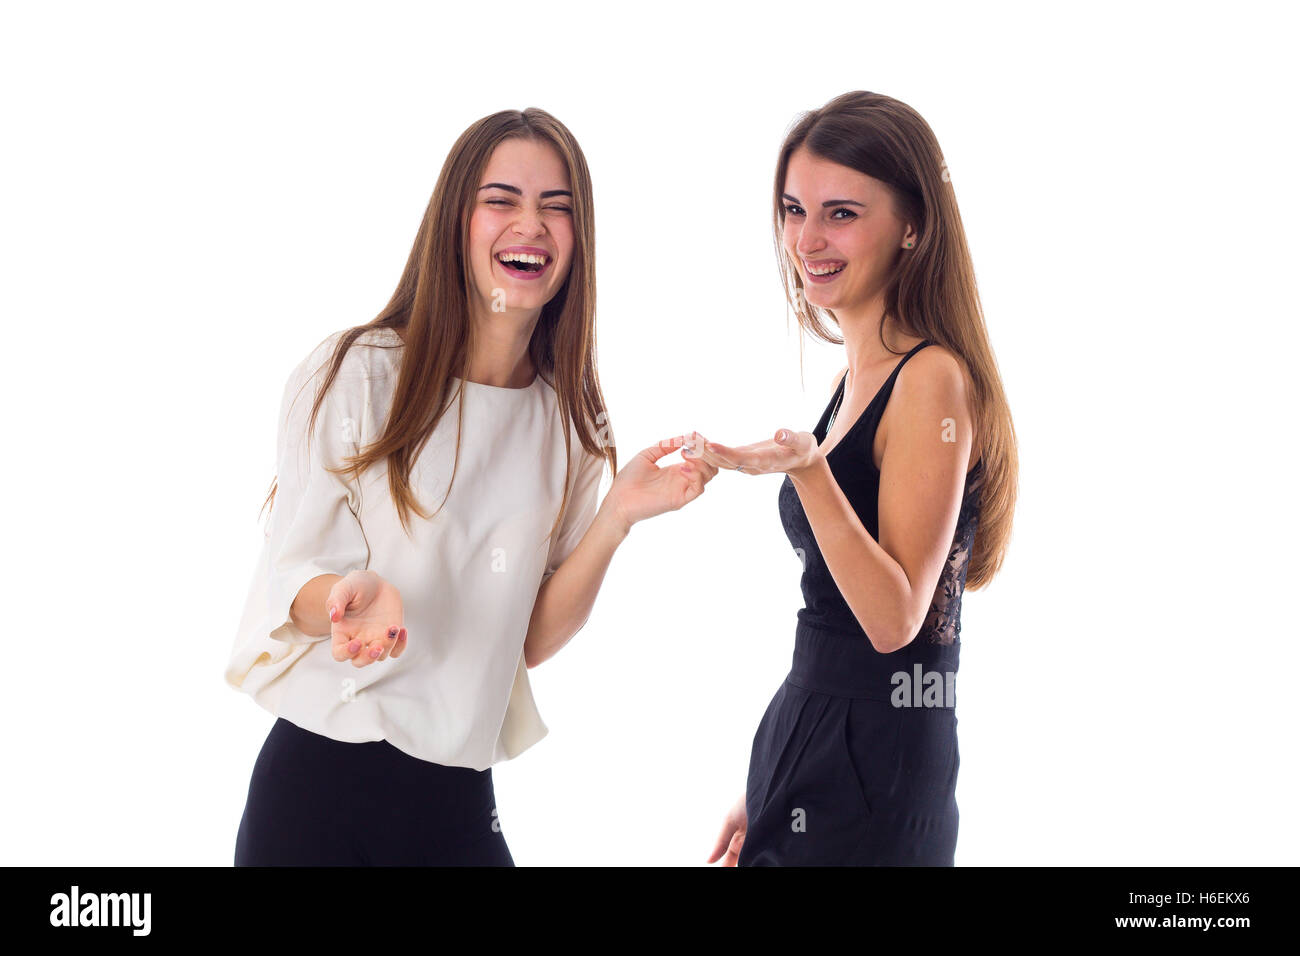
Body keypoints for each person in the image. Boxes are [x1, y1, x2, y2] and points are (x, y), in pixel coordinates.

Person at [225, 107, 717, 866]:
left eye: (558, 207)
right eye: (502, 201)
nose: (532, 225)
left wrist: (616, 516)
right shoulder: (356, 373)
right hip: (322, 793)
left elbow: (526, 640)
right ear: (456, 222)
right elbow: (291, 576)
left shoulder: (570, 418)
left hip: (457, 801)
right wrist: (347, 596)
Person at [698, 91, 1019, 866]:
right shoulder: (858, 378)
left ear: (913, 225)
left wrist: (809, 472)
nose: (807, 239)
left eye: (841, 212)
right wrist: (765, 781)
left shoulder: (931, 378)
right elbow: (832, 615)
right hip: (807, 734)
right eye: (793, 209)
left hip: (878, 763)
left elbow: (893, 620)